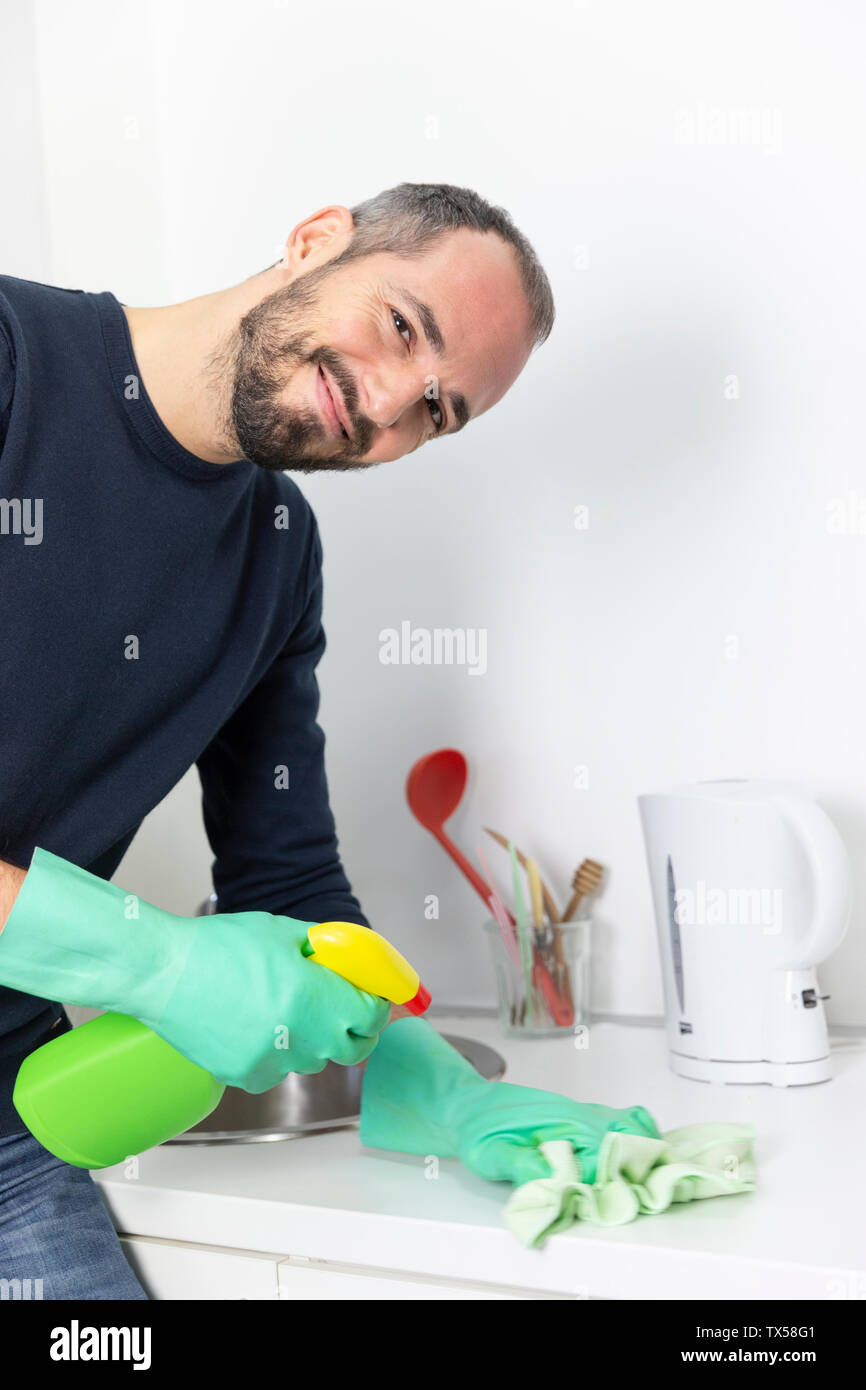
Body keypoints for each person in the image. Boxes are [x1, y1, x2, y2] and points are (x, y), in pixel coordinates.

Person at [0, 180, 655, 1299]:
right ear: (314, 241)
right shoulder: (18, 358)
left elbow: (289, 879)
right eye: (403, 326)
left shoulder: (274, 554)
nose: (389, 402)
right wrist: (147, 957)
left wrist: (437, 1086)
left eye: (437, 411)